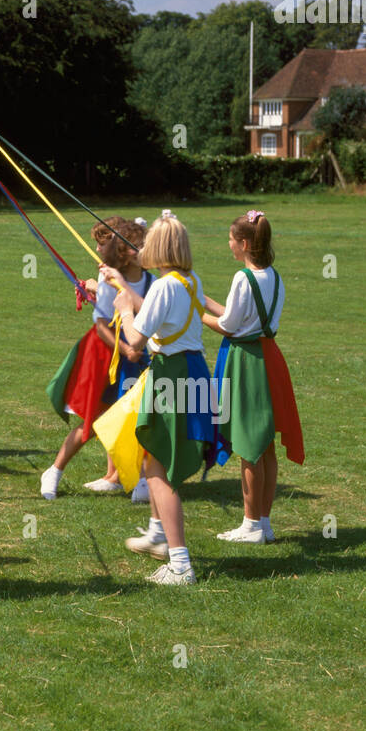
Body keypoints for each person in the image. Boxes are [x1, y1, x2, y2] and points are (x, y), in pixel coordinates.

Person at [112, 211, 214, 586]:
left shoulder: (163, 286)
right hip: (192, 370)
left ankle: (180, 562)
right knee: (156, 454)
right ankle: (158, 533)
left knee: (159, 470)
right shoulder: (190, 280)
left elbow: (136, 341)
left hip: (171, 373)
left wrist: (123, 310)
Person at [202, 210, 304, 545]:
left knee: (249, 444)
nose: (229, 245)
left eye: (231, 239)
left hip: (246, 362)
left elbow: (230, 325)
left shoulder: (242, 278)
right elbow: (243, 316)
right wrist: (201, 299)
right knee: (266, 446)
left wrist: (196, 313)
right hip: (270, 358)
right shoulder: (274, 276)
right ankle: (264, 521)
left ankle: (250, 525)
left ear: (244, 243)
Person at [42, 218, 152, 499]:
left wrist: (139, 348)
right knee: (93, 419)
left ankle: (137, 478)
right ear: (127, 252)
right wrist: (126, 349)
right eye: (140, 246)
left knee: (138, 417)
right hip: (108, 353)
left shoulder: (153, 281)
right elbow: (102, 324)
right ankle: (54, 470)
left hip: (137, 355)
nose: (146, 250)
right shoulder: (110, 281)